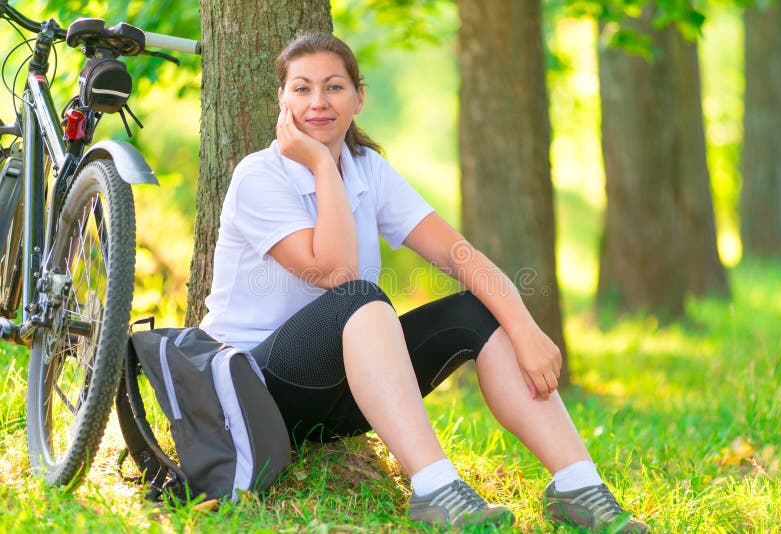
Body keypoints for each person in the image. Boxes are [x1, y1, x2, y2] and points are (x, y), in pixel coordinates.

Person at [199, 31, 649, 532]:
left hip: (344, 393)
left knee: (478, 310)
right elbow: (335, 273)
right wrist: (321, 166)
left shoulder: (368, 169)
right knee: (358, 297)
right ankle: (437, 488)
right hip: (256, 388)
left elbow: (462, 256)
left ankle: (578, 486)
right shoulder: (259, 175)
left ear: (359, 97)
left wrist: (523, 328)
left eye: (334, 87)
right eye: (301, 89)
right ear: (281, 100)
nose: (318, 103)